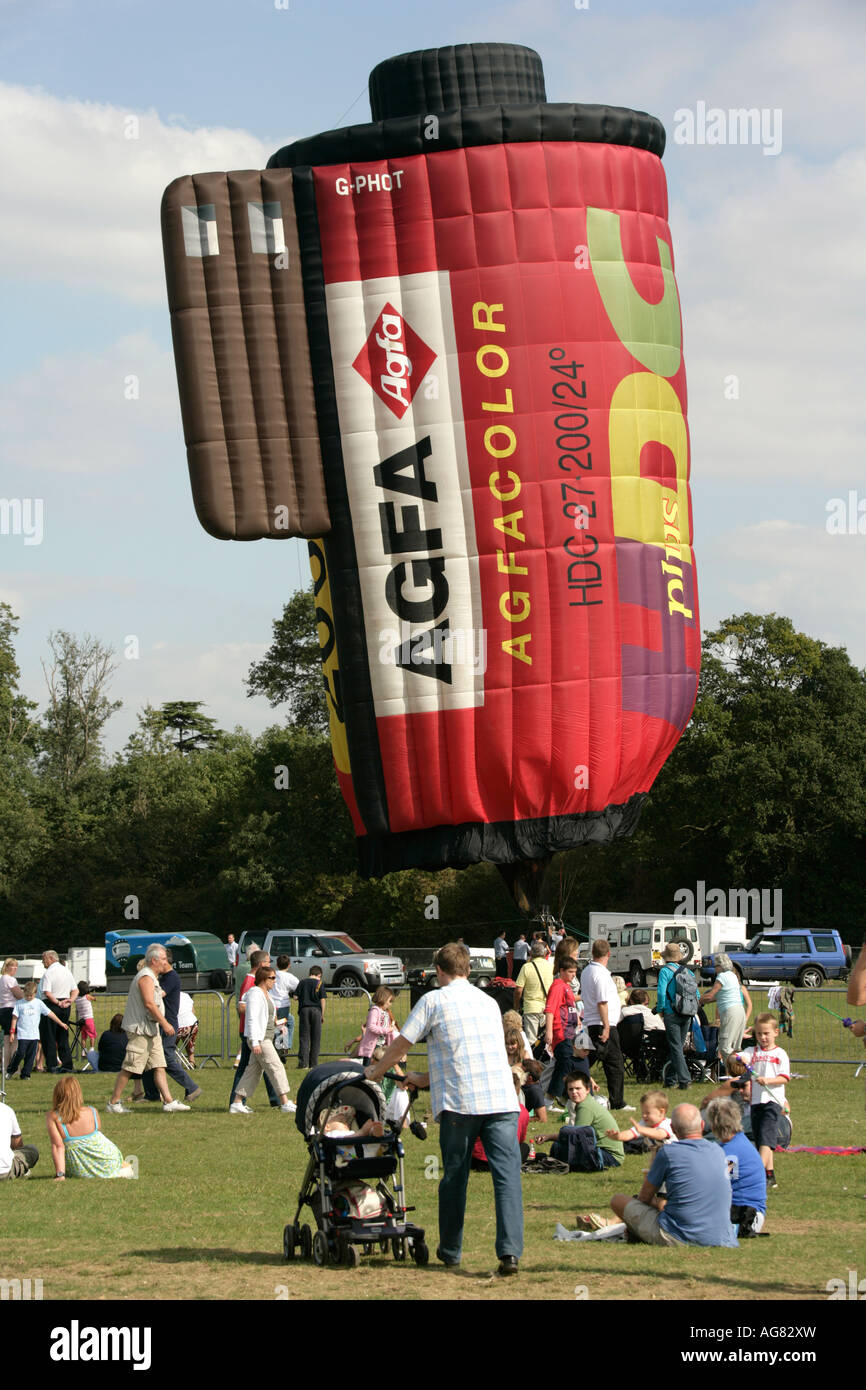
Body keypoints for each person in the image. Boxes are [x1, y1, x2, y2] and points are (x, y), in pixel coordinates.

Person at [365, 942, 523, 1277]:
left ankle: (451, 1250)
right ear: (467, 969)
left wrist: (375, 1072)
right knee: (507, 1178)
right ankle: (510, 1253)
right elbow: (467, 1056)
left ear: (439, 971)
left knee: (454, 1177)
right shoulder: (489, 1002)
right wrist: (421, 1079)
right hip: (502, 1101)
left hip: (461, 1105)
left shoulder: (433, 1000)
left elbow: (401, 1043)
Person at [607, 1103, 737, 1246]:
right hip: (722, 1236)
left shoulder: (668, 1153)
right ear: (702, 1125)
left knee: (618, 1200)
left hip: (681, 1234)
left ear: (673, 1129)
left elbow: (644, 1197)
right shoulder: (718, 1150)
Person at [106, 943, 189, 1114]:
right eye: (164, 959)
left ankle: (168, 1101)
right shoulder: (145, 977)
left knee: (159, 1065)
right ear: (154, 960)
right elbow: (150, 1004)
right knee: (130, 1066)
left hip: (151, 1029)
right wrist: (165, 1024)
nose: (166, 963)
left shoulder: (152, 977)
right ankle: (113, 1103)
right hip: (140, 1030)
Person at [733, 1013, 790, 1191]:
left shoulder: (780, 1054)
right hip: (756, 1102)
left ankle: (754, 1177)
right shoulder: (753, 1052)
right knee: (760, 1139)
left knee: (766, 1139)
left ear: (775, 1033)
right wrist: (738, 1058)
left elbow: (784, 1078)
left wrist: (769, 1080)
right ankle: (769, 1175)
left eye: (766, 1033)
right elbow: (738, 1057)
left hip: (772, 1102)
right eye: (759, 1034)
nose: (763, 1038)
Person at [230, 966, 296, 1114]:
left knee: (253, 1071)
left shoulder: (266, 994)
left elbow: (267, 1017)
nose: (274, 981)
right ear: (263, 979)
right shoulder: (255, 994)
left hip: (266, 1037)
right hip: (260, 1039)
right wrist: (254, 1042)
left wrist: (279, 1025)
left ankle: (237, 1102)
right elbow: (252, 1018)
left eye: (274, 978)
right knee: (276, 1066)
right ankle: (285, 1102)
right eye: (272, 978)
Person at [142, 951, 202, 1105]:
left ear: (165, 962)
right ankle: (152, 1094)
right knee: (150, 1056)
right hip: (161, 1022)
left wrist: (144, 984)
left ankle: (192, 1086)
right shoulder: (164, 977)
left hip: (167, 1023)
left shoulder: (171, 977)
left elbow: (158, 995)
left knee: (165, 1057)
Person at [47, 1076, 135, 1180]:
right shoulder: (92, 1111)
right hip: (110, 1159)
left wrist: (60, 1174)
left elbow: (58, 1146)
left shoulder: (53, 1117)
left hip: (81, 1166)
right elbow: (96, 1140)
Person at [704, 1097, 767, 1235]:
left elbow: (725, 1184)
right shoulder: (738, 1141)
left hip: (746, 1216)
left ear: (714, 1124)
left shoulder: (731, 1153)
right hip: (749, 1212)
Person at [538, 1072, 624, 1171]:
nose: (574, 1092)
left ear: (587, 1090)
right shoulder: (586, 1103)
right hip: (604, 1152)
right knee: (559, 1148)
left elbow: (573, 1136)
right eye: (571, 1089)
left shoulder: (586, 1107)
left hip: (610, 1157)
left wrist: (548, 1137)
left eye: (578, 1088)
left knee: (559, 1148)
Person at [580, 938, 628, 1110]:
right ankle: (617, 1101)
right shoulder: (600, 974)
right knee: (615, 1064)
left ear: (593, 953)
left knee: (591, 1059)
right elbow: (602, 1002)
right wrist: (607, 1026)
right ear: (608, 954)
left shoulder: (587, 971)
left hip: (594, 1022)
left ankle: (572, 1086)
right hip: (602, 1023)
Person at [230, 950, 279, 1108]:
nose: (270, 965)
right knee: (250, 1067)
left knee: (262, 1066)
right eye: (267, 962)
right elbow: (242, 1006)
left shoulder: (252, 981)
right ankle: (236, 1101)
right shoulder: (251, 982)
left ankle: (275, 1099)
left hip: (256, 1031)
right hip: (252, 1032)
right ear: (261, 965)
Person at [8, 980, 70, 1080]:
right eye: (27, 996)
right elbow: (14, 1019)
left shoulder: (38, 1003)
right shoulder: (19, 1004)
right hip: (23, 1034)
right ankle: (11, 1069)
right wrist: (12, 1032)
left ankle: (25, 1075)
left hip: (34, 1035)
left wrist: (61, 1023)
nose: (29, 998)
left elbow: (50, 1014)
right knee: (20, 1053)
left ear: (35, 994)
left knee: (30, 1056)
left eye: (31, 996)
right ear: (24, 993)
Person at [656, 942, 696, 1091]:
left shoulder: (664, 972)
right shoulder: (689, 972)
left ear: (666, 957)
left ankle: (685, 1080)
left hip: (671, 1012)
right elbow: (696, 994)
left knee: (675, 1047)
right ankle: (670, 1079)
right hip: (686, 1012)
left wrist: (661, 1009)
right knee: (677, 1047)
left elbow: (661, 992)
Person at [543, 956, 582, 1104]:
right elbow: (550, 1009)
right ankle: (551, 1099)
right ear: (561, 971)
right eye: (570, 972)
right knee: (563, 1065)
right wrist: (549, 1031)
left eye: (575, 972)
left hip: (569, 1032)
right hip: (561, 1032)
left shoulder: (566, 986)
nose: (573, 975)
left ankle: (563, 1096)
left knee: (565, 1065)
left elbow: (570, 1002)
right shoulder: (558, 986)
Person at [700, 954, 752, 1056]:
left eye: (715, 966)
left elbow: (711, 994)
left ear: (720, 966)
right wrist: (703, 1001)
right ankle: (738, 1070)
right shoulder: (732, 976)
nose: (715, 969)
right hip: (740, 1012)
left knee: (725, 1048)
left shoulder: (722, 976)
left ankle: (731, 1070)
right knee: (736, 1047)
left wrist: (697, 1000)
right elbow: (718, 997)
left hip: (730, 1013)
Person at [38, 950, 78, 1073]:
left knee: (48, 1036)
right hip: (65, 1005)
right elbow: (75, 990)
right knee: (63, 1035)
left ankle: (52, 1065)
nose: (42, 962)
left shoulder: (49, 973)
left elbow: (47, 992)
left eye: (44, 959)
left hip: (52, 1005)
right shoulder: (66, 971)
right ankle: (67, 1063)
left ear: (51, 958)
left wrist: (57, 1002)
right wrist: (70, 1000)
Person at [606, 1089, 675, 1152]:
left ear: (661, 1112)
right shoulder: (644, 1123)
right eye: (643, 1112)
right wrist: (618, 1136)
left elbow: (659, 1134)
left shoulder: (667, 1124)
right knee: (630, 1142)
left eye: (648, 1113)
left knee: (640, 1142)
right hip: (655, 1150)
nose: (644, 1116)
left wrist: (642, 1130)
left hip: (672, 1151)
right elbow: (630, 1133)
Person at [513, 941, 554, 1046]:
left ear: (531, 953)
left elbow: (518, 990)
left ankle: (532, 1062)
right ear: (544, 953)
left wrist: (516, 1007)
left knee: (531, 1042)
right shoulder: (551, 967)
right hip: (548, 1008)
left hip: (531, 1008)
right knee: (547, 1043)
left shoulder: (526, 967)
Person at [0, 1097, 38, 1180]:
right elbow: (17, 1144)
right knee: (32, 1150)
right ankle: (24, 1170)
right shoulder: (7, 1110)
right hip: (5, 1171)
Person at [357, 986, 399, 1062]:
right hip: (373, 1046)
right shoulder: (374, 1011)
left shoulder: (385, 1012)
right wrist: (387, 1030)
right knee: (368, 1068)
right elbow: (371, 1027)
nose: (390, 1004)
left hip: (382, 1045)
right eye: (389, 1001)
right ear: (383, 999)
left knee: (380, 1067)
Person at [296, 966, 325, 1069]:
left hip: (304, 1010)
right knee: (316, 1038)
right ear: (319, 975)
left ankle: (303, 1063)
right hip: (316, 1011)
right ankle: (313, 1064)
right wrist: (322, 1014)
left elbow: (295, 997)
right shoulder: (319, 983)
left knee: (304, 1038)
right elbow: (322, 1000)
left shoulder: (302, 982)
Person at [270, 955, 299, 1056]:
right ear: (289, 965)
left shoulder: (273, 974)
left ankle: (285, 1045)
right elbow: (299, 986)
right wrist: (295, 994)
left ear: (277, 965)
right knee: (281, 1027)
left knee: (289, 1021)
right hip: (283, 1006)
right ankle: (281, 1050)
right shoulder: (289, 977)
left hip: (272, 1005)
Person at [0, 958, 24, 1070]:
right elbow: (19, 995)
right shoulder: (10, 979)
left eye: (16, 966)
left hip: (3, 1010)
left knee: (6, 1039)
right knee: (14, 1040)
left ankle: (5, 1066)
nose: (15, 968)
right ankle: (15, 1068)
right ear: (7, 967)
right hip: (10, 1010)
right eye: (12, 966)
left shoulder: (1, 979)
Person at [176, 990, 199, 1066]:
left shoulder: (168, 996)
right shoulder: (186, 995)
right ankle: (191, 1060)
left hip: (178, 1028)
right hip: (193, 1025)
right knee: (187, 1038)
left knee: (169, 1040)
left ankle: (169, 1059)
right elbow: (193, 1011)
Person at [75, 982, 97, 1055]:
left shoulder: (77, 999)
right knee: (92, 1035)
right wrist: (94, 997)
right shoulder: (87, 996)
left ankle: (83, 1051)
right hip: (89, 1019)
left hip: (82, 1020)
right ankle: (92, 1049)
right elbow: (94, 999)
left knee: (83, 1036)